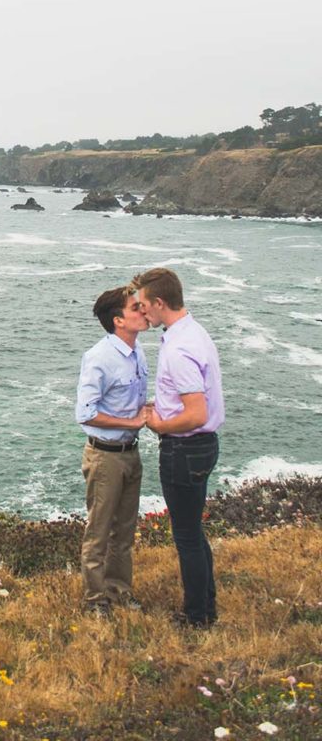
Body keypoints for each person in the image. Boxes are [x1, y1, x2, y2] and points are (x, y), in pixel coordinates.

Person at [133, 267, 225, 628]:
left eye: (143, 305)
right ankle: (208, 607)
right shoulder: (191, 331)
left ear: (159, 302)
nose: (141, 313)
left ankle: (197, 618)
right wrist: (166, 405)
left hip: (184, 449)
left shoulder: (180, 349)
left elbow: (195, 414)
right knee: (194, 533)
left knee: (186, 538)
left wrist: (159, 424)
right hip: (203, 447)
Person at [75, 286, 149, 613]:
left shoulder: (138, 352)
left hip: (130, 452)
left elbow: (131, 403)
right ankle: (94, 600)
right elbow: (86, 412)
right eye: (136, 307)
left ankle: (119, 590)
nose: (144, 310)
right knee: (99, 531)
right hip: (104, 455)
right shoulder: (99, 357)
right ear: (119, 320)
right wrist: (132, 423)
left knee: (125, 530)